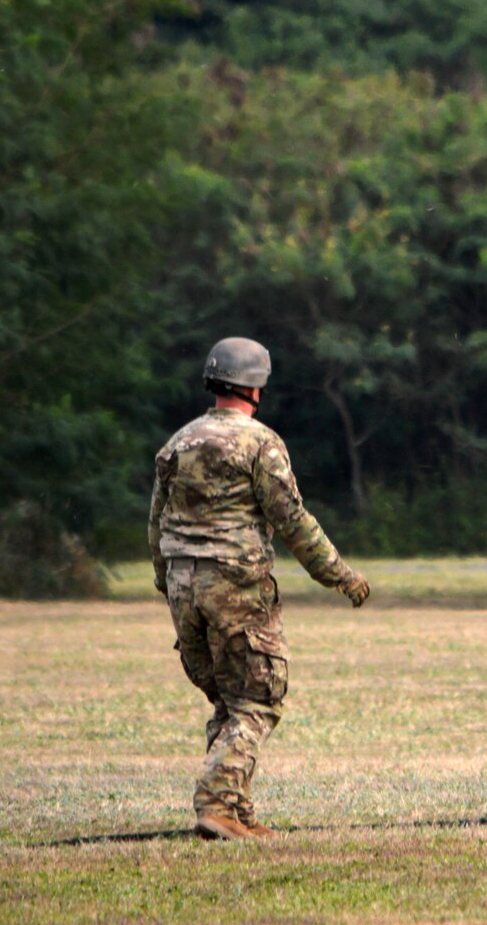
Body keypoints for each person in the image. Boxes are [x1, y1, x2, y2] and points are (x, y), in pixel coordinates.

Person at [149, 336, 372, 841]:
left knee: (228, 702)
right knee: (258, 700)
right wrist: (341, 575)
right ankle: (215, 802)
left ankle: (237, 812)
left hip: (184, 586)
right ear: (256, 386)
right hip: (235, 585)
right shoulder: (260, 444)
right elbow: (292, 521)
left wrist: (168, 583)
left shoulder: (178, 443)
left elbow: (156, 522)